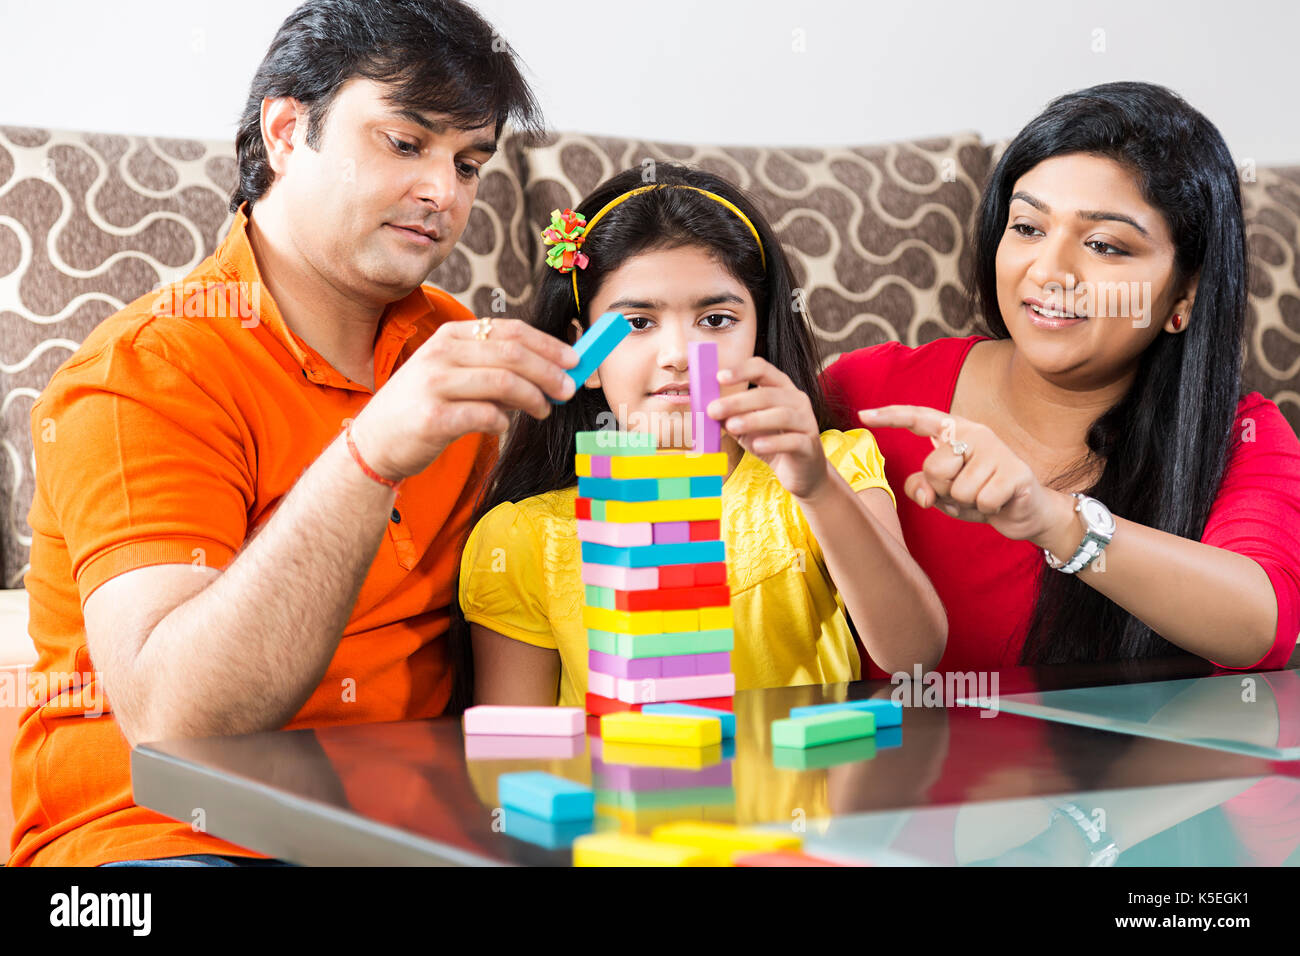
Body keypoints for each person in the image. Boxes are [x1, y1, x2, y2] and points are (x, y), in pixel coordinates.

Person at [10, 0, 576, 867]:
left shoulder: (455, 347)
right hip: (171, 835)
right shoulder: (144, 372)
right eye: (405, 142)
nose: (443, 192)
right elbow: (177, 720)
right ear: (285, 130)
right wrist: (369, 454)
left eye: (468, 163)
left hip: (406, 830)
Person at [822, 81, 1300, 676]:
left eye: (1103, 244)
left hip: (1115, 772)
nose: (1049, 270)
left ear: (1185, 292)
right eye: (1027, 228)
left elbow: (1261, 628)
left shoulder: (1241, 437)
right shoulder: (868, 394)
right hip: (888, 766)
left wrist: (1056, 523)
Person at [457, 164, 946, 707]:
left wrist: (817, 487)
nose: (678, 358)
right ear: (584, 354)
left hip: (803, 791)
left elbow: (915, 657)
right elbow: (517, 755)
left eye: (715, 320)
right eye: (637, 323)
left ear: (759, 334)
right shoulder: (522, 535)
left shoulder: (831, 466)